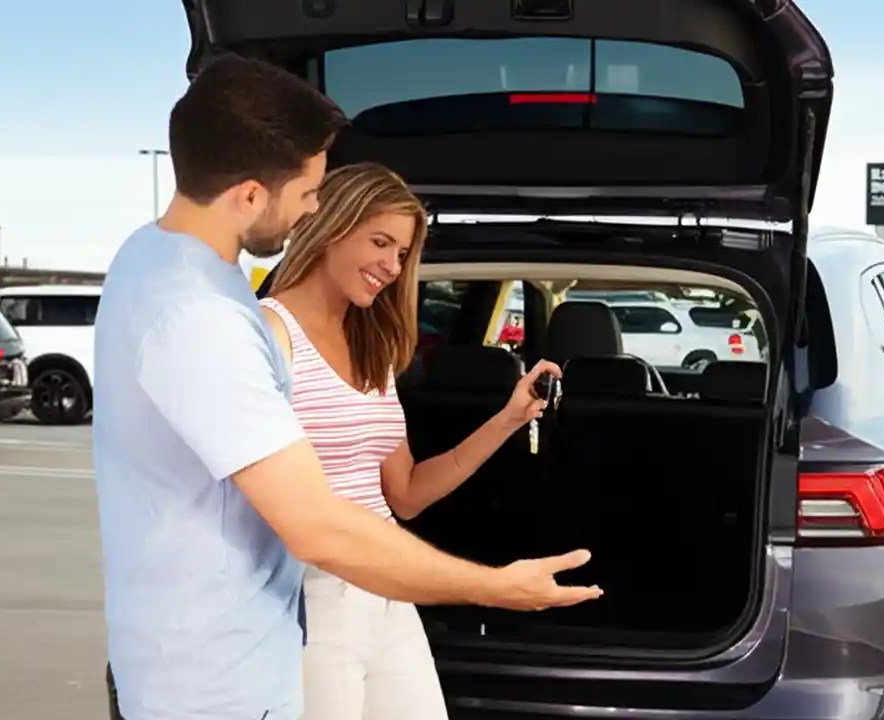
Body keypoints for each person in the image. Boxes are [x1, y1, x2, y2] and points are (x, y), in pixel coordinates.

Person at [93, 54, 601, 720]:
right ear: (252, 195)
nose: (310, 206)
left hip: (363, 599)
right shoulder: (225, 323)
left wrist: (508, 417)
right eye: (309, 194)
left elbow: (405, 494)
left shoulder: (162, 264)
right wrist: (495, 587)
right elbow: (316, 528)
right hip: (280, 621)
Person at [257, 162, 558, 720]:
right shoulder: (269, 335)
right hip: (311, 596)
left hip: (388, 590)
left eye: (401, 254)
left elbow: (407, 495)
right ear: (329, 225)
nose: (391, 267)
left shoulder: (370, 351)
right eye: (380, 242)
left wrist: (510, 418)